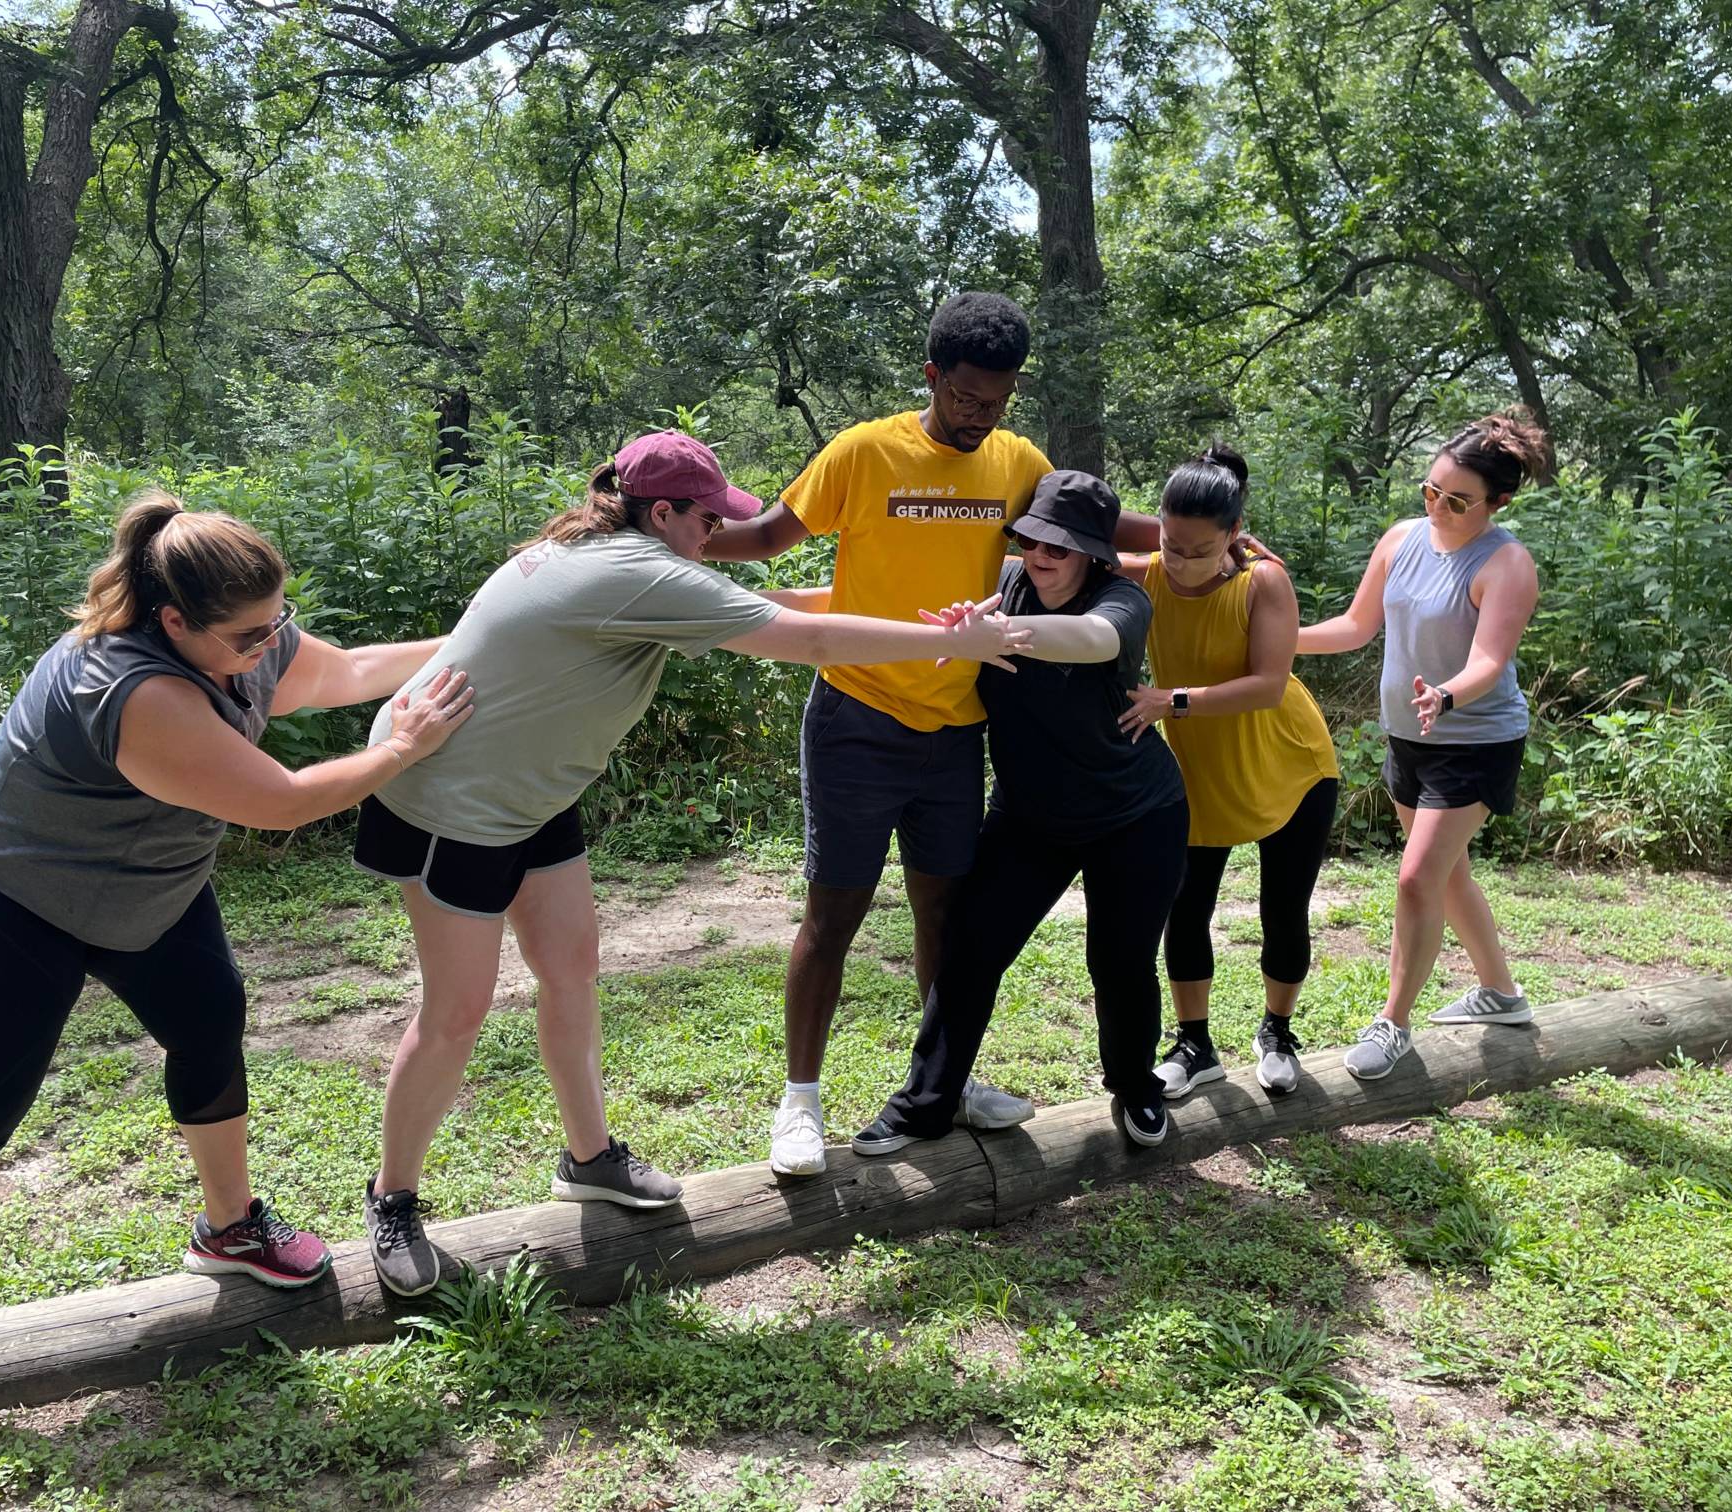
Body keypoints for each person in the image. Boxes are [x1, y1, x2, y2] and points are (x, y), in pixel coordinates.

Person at [356, 430, 1030, 1298]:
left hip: (531, 795)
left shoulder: (605, 548)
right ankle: (393, 1199)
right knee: (456, 1014)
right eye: (708, 518)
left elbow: (788, 603)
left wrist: (924, 619)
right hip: (456, 801)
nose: (719, 532)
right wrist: (955, 645)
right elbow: (807, 642)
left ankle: (590, 1157)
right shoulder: (633, 571)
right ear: (661, 511)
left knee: (571, 972)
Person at [0, 491, 475, 1411]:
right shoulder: (131, 687)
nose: (271, 647)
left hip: (149, 885)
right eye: (250, 637)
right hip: (10, 893)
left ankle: (228, 1226)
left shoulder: (242, 637)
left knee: (209, 1023)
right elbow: (282, 799)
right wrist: (401, 748)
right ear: (174, 620)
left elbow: (349, 670)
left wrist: (481, 641)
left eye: (278, 624)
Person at [705, 293, 1168, 1177]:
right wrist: (672, 540)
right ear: (932, 376)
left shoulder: (1016, 460)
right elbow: (766, 536)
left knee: (946, 917)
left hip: (957, 729)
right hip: (856, 715)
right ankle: (799, 1104)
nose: (978, 417)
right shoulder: (866, 450)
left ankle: (946, 1082)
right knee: (832, 915)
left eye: (995, 404)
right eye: (964, 399)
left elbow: (1091, 521)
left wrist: (1196, 539)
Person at [851, 470, 1190, 1155]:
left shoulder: (1121, 599)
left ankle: (1135, 1085)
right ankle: (925, 1105)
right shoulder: (999, 584)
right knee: (969, 950)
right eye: (1030, 538)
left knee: (1120, 961)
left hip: (1137, 814)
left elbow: (1094, 640)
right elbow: (887, 594)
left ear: (1093, 554)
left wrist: (999, 633)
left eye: (1058, 548)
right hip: (1030, 817)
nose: (1039, 555)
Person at [1296, 411, 1550, 1079]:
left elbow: (1489, 660)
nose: (1439, 507)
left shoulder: (1507, 563)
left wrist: (1446, 694)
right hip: (1409, 738)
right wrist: (1277, 640)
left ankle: (1393, 1023)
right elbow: (1355, 626)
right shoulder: (1403, 539)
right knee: (1446, 873)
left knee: (1415, 879)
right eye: (1430, 491)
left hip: (1474, 740)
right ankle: (1501, 993)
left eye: (1458, 500)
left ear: (1498, 502)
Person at [1115, 446, 1340, 1098]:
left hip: (1290, 764)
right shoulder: (1148, 573)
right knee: (1184, 912)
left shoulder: (1262, 582)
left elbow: (1268, 685)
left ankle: (1277, 1031)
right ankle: (1194, 1045)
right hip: (1200, 770)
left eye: (1198, 549)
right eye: (1169, 542)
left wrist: (1169, 701)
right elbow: (1046, 550)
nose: (1180, 561)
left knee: (1283, 909)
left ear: (1235, 538)